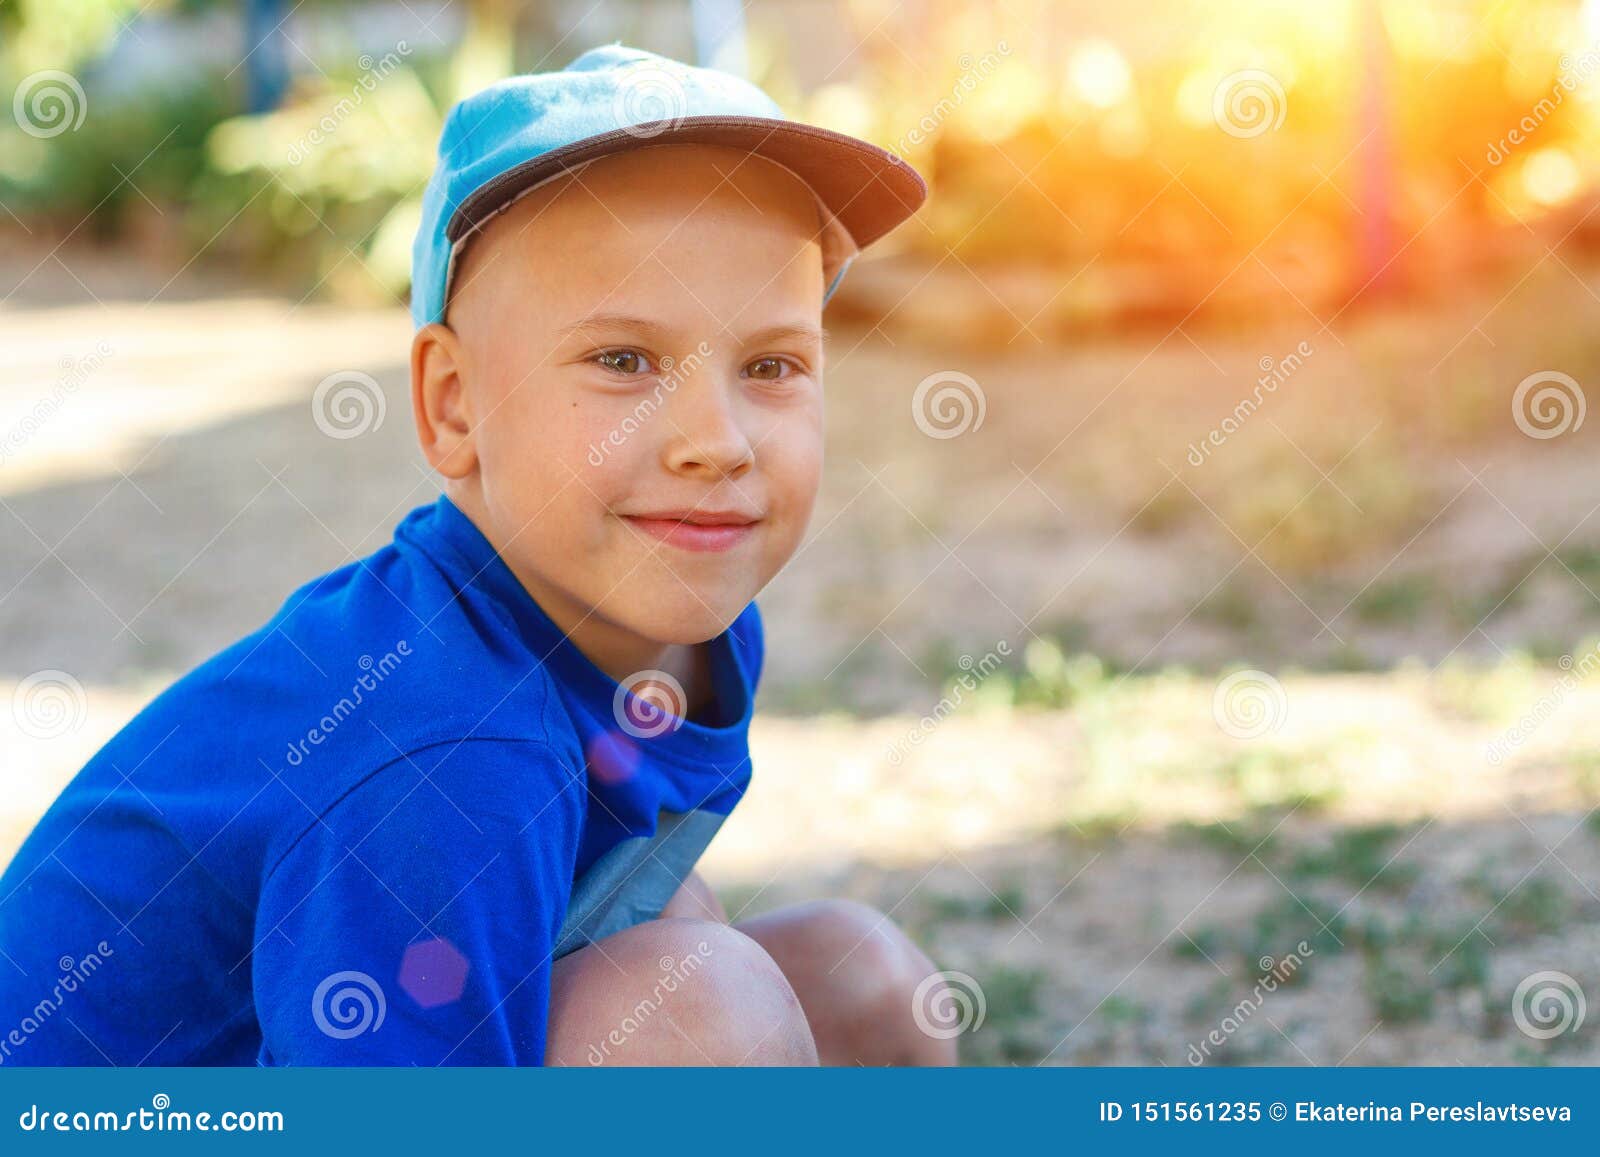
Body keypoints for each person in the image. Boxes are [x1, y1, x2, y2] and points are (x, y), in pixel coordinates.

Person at [0, 43, 952, 1067]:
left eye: (772, 364)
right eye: (623, 360)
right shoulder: (447, 748)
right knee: (703, 1013)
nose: (715, 440)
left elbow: (630, 887)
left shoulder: (685, 623)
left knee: (858, 980)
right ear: (453, 406)